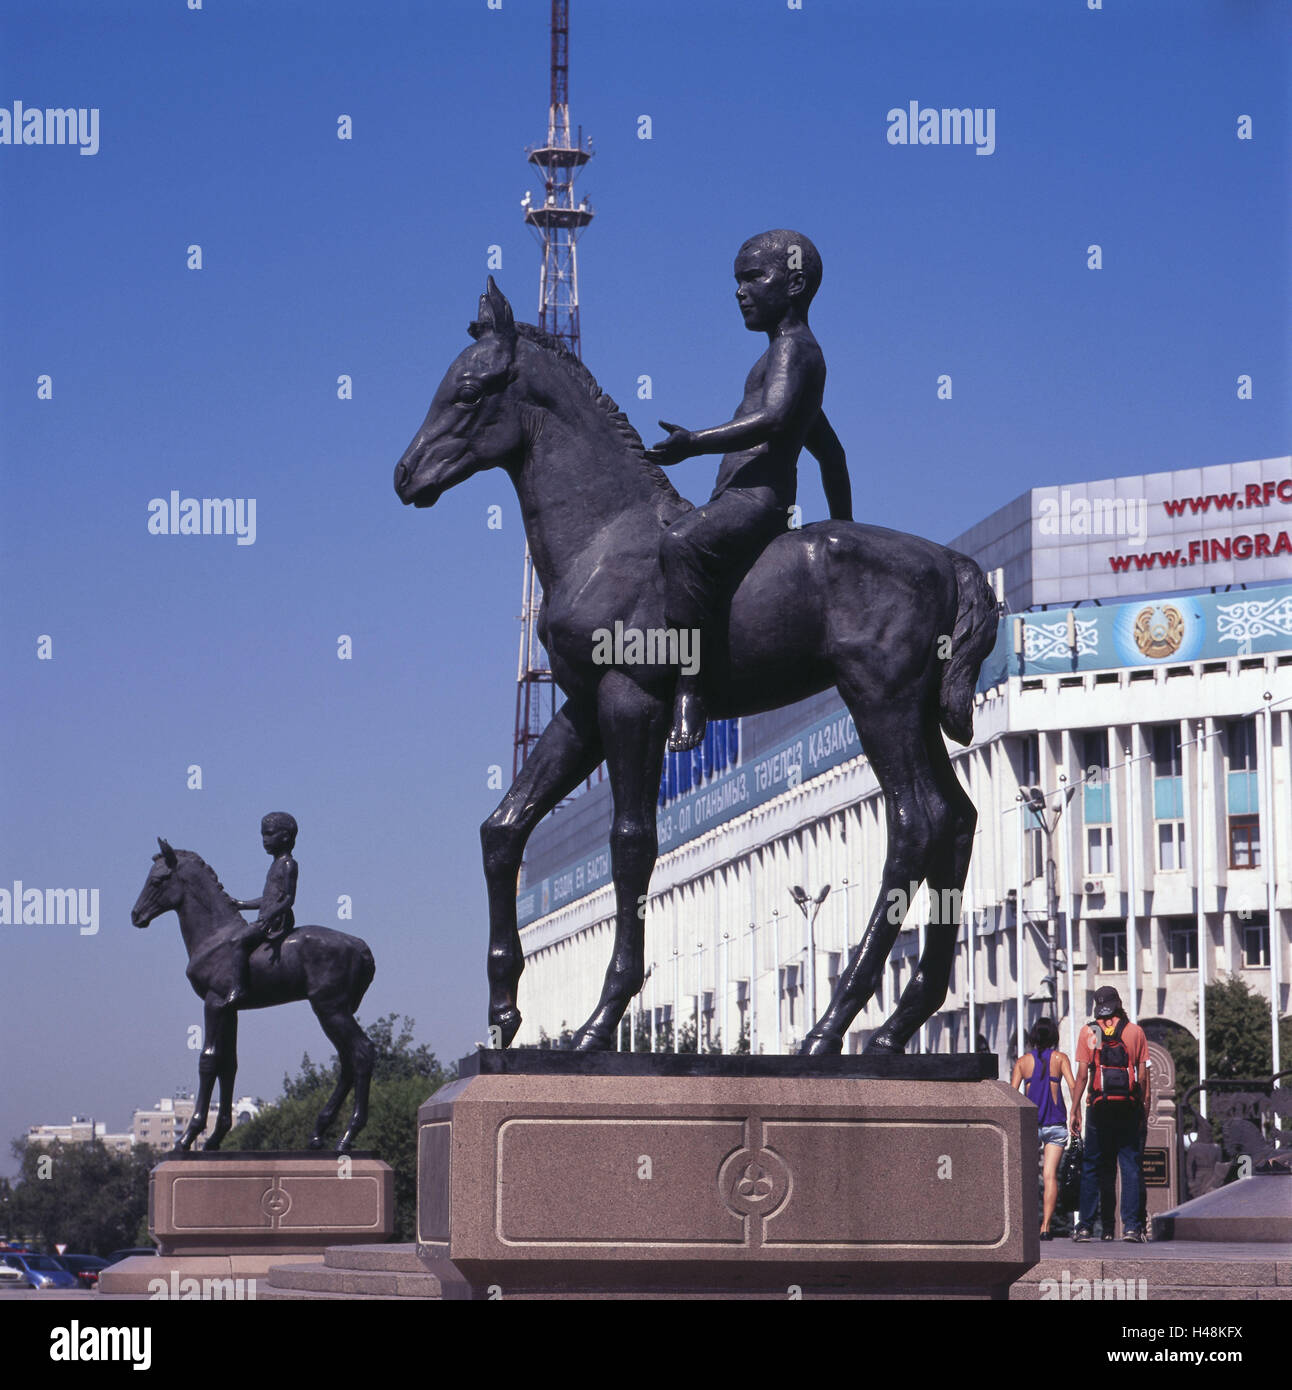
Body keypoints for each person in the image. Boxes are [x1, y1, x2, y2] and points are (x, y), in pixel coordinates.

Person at [647, 229, 852, 752]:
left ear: (795, 283)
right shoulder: (775, 360)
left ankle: (690, 689)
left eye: (754, 277)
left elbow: (775, 417)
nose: (740, 291)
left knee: (678, 543)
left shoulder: (794, 350)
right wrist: (844, 526)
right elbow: (830, 452)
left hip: (755, 503)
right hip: (735, 501)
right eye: (737, 280)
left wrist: (693, 443)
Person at [1069, 986, 1151, 1242]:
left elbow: (1083, 1075)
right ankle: (1131, 1228)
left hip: (1099, 1106)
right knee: (1129, 1165)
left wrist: (1075, 1109)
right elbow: (1143, 1075)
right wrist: (1143, 1107)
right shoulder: (1134, 1032)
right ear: (1119, 1004)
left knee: (1092, 1164)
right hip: (1128, 1106)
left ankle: (1084, 1226)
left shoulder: (1090, 1032)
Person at [1010, 1017, 1077, 1239]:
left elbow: (1012, 1096)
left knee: (1026, 1175)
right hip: (1056, 1123)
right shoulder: (1060, 1059)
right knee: (1050, 1175)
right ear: (1053, 1037)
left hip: (1030, 1125)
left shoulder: (1022, 1062)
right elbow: (1074, 1087)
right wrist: (1075, 1114)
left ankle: (1025, 1224)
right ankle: (1046, 1226)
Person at [226, 812, 299, 1007]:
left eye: (269, 834)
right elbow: (268, 899)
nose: (265, 840)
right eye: (263, 835)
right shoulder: (275, 864)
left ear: (284, 836)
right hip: (268, 917)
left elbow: (289, 899)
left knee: (238, 940)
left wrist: (270, 914)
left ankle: (239, 988)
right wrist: (241, 904)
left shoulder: (288, 864)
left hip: (276, 921)